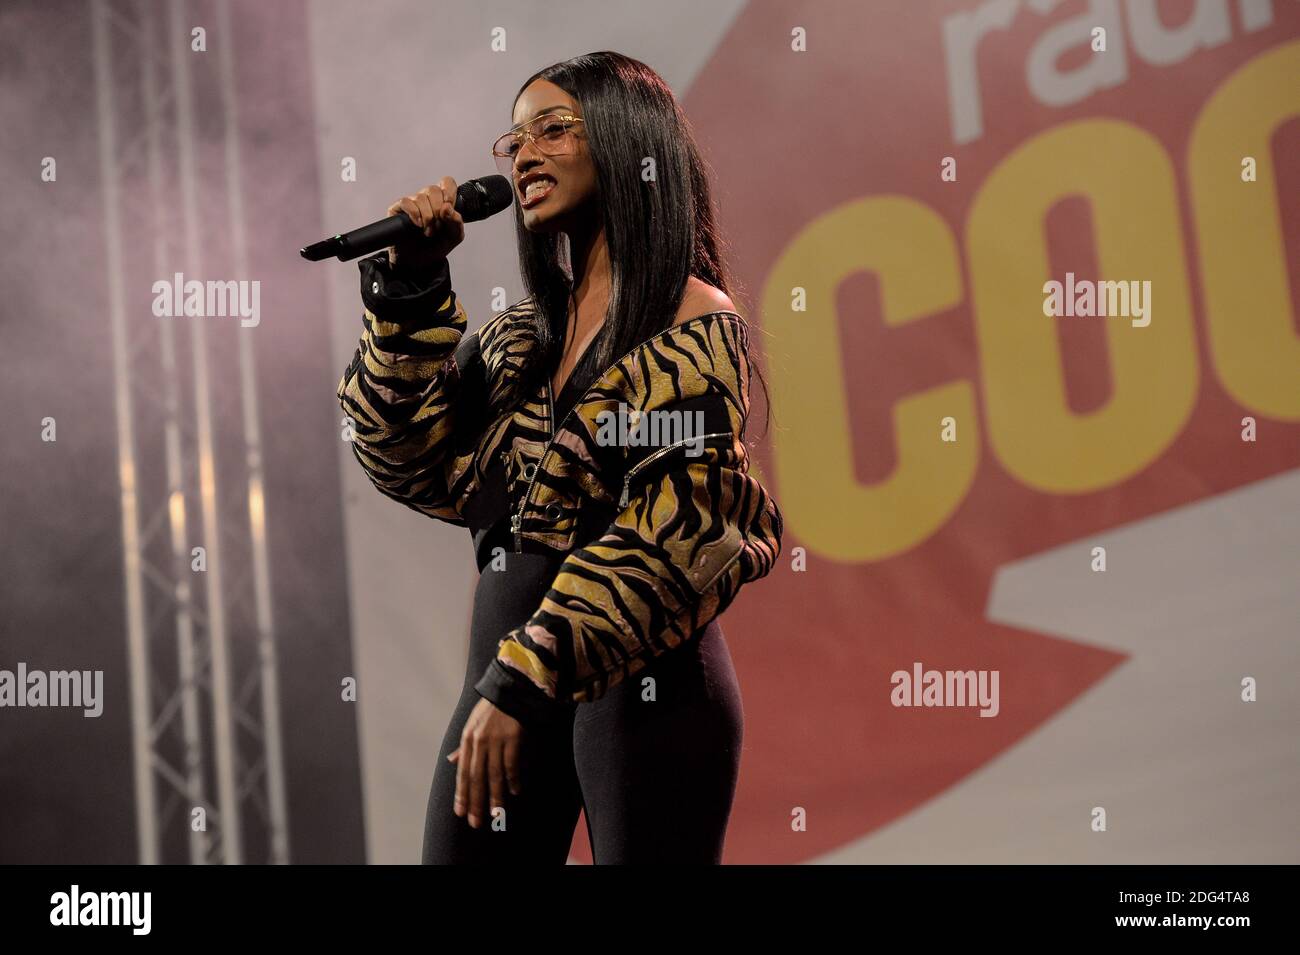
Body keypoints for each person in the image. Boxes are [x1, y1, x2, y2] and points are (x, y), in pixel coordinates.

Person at [337, 51, 783, 864]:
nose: (524, 154)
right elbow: (410, 459)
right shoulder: (519, 342)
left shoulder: (690, 323)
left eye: (551, 128)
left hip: (641, 690)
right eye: (514, 140)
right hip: (504, 689)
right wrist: (411, 291)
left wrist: (524, 676)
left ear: (623, 138)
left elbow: (675, 533)